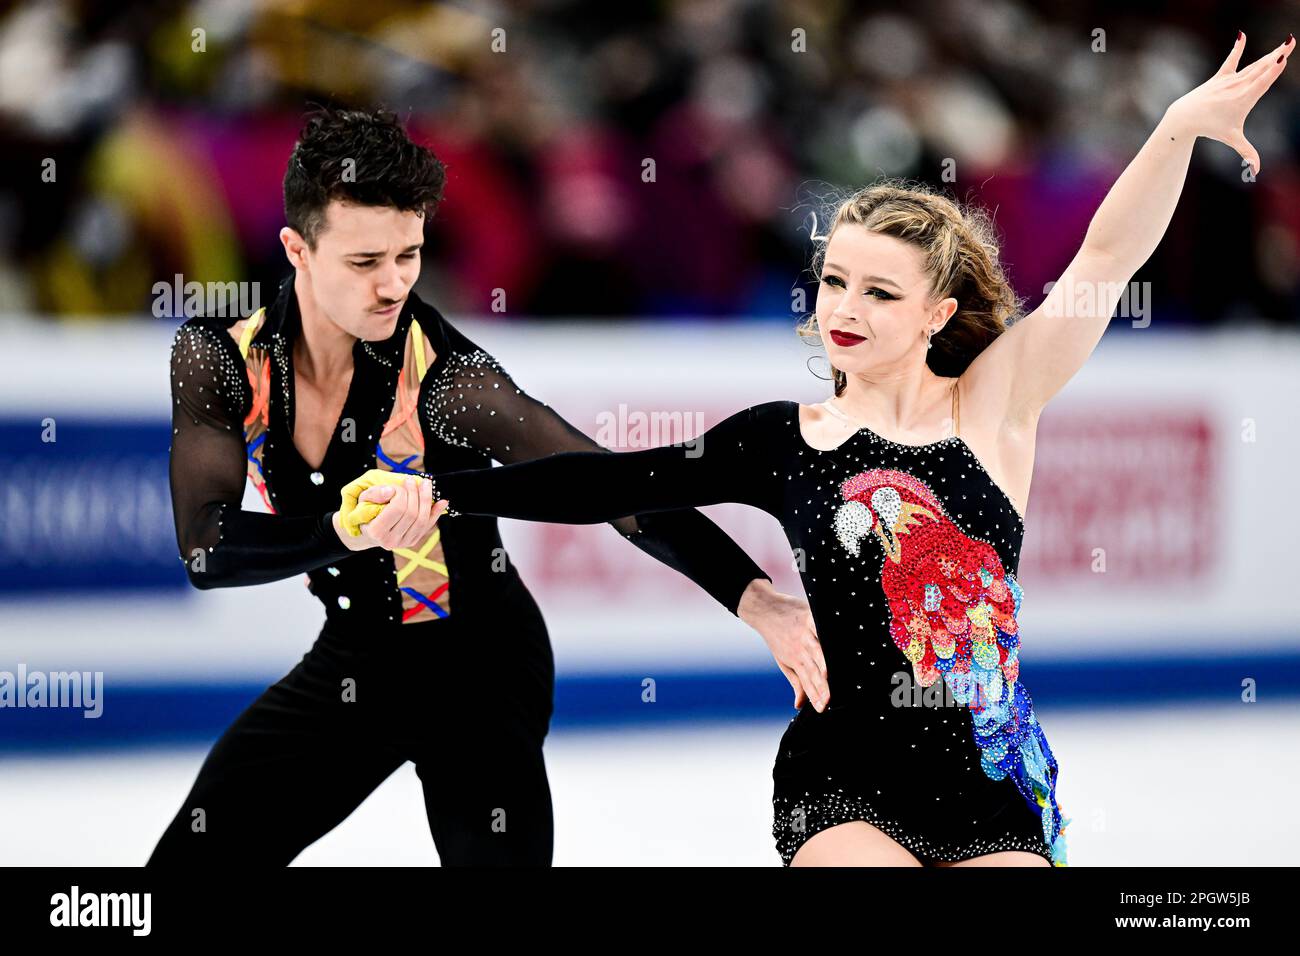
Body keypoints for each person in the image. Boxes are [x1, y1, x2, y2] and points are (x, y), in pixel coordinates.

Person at [341, 34, 1293, 865]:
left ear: (938, 314)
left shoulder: (996, 406)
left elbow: (1102, 262)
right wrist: (444, 489)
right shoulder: (780, 440)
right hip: (844, 778)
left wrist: (1175, 130)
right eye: (835, 282)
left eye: (880, 294)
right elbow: (615, 482)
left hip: (993, 776)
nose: (843, 309)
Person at [149, 105, 821, 867]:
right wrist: (340, 532)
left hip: (484, 671)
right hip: (356, 664)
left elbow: (604, 482)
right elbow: (206, 550)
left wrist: (749, 593)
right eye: (365, 262)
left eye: (411, 255)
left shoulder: (445, 376)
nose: (393, 285)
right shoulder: (220, 359)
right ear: (297, 251)